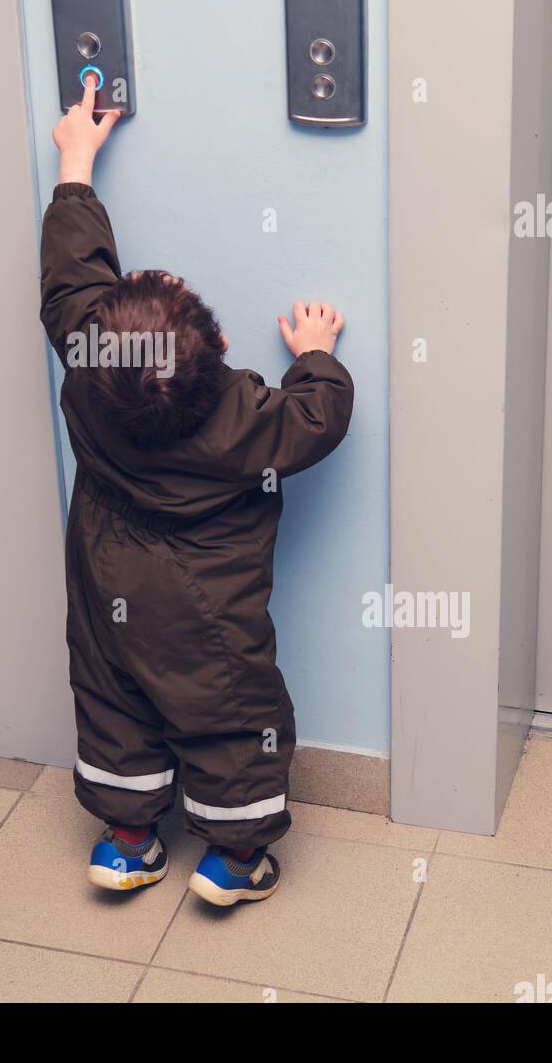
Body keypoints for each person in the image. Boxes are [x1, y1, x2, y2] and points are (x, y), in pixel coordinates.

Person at [39, 79, 353, 906]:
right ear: (217, 344)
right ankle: (233, 859)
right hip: (207, 611)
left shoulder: (85, 372)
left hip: (107, 587)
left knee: (113, 697)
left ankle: (129, 841)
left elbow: (71, 279)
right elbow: (318, 419)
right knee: (227, 714)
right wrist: (315, 352)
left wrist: (76, 165)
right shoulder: (244, 419)